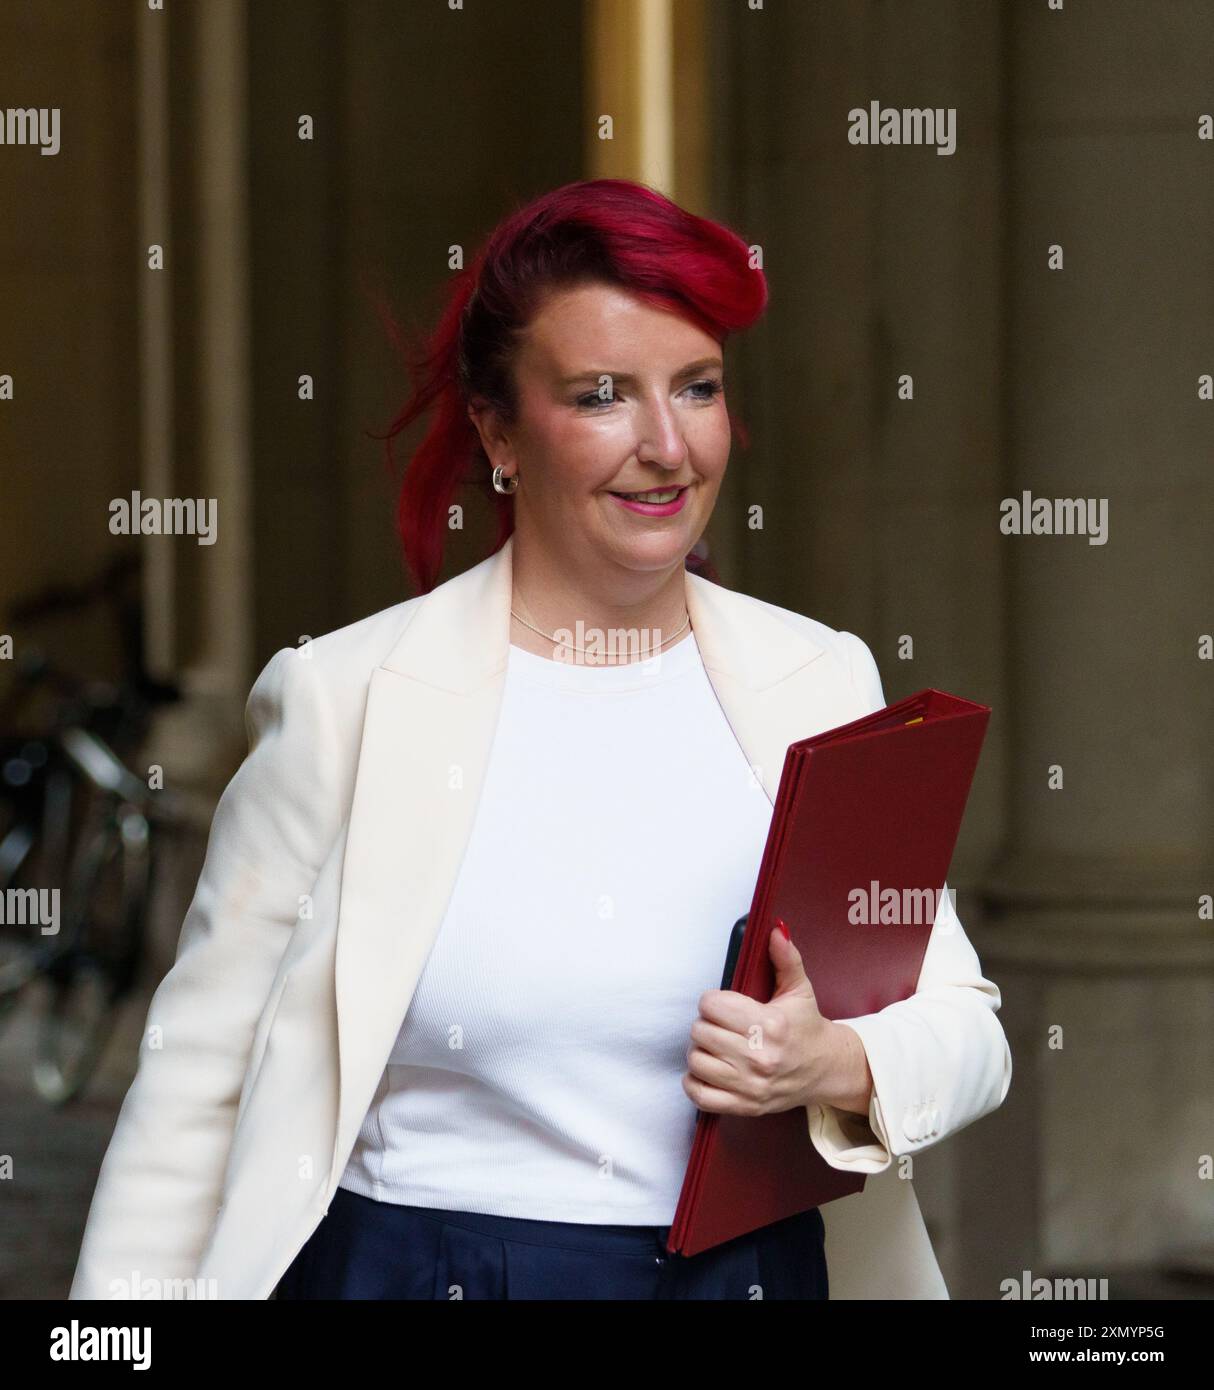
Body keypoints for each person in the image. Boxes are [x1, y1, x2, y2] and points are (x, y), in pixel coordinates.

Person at [69, 178, 1011, 1301]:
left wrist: (835, 1061)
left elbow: (964, 1028)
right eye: (603, 395)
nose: (666, 445)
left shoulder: (817, 678)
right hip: (425, 1272)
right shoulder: (345, 698)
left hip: (741, 1279)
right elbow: (196, 1086)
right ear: (497, 430)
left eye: (697, 388)